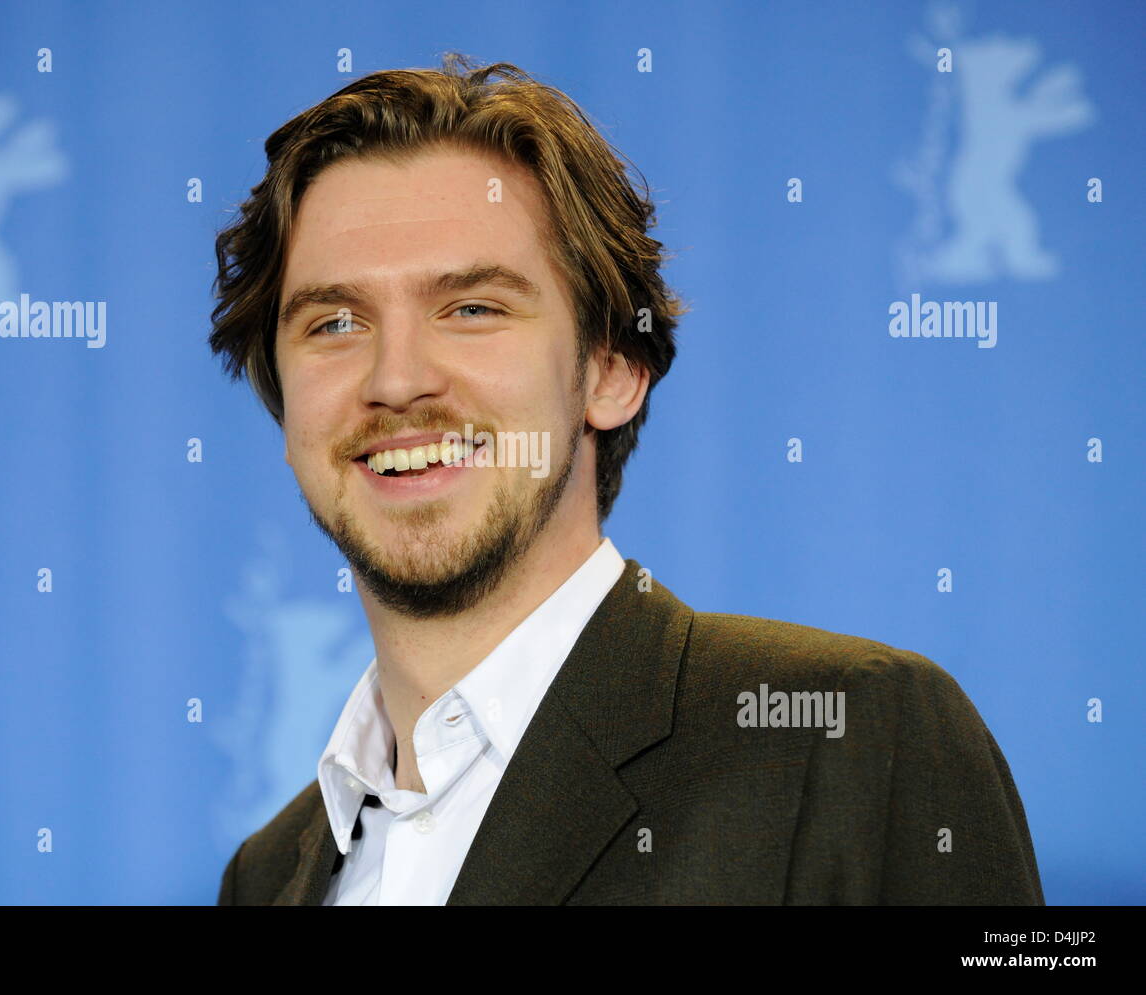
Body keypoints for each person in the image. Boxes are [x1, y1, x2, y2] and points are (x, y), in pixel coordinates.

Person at [207, 55, 1043, 905]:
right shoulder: (268, 875)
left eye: (472, 308)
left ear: (612, 369)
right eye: (335, 321)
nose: (396, 378)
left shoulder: (851, 739)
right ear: (283, 404)